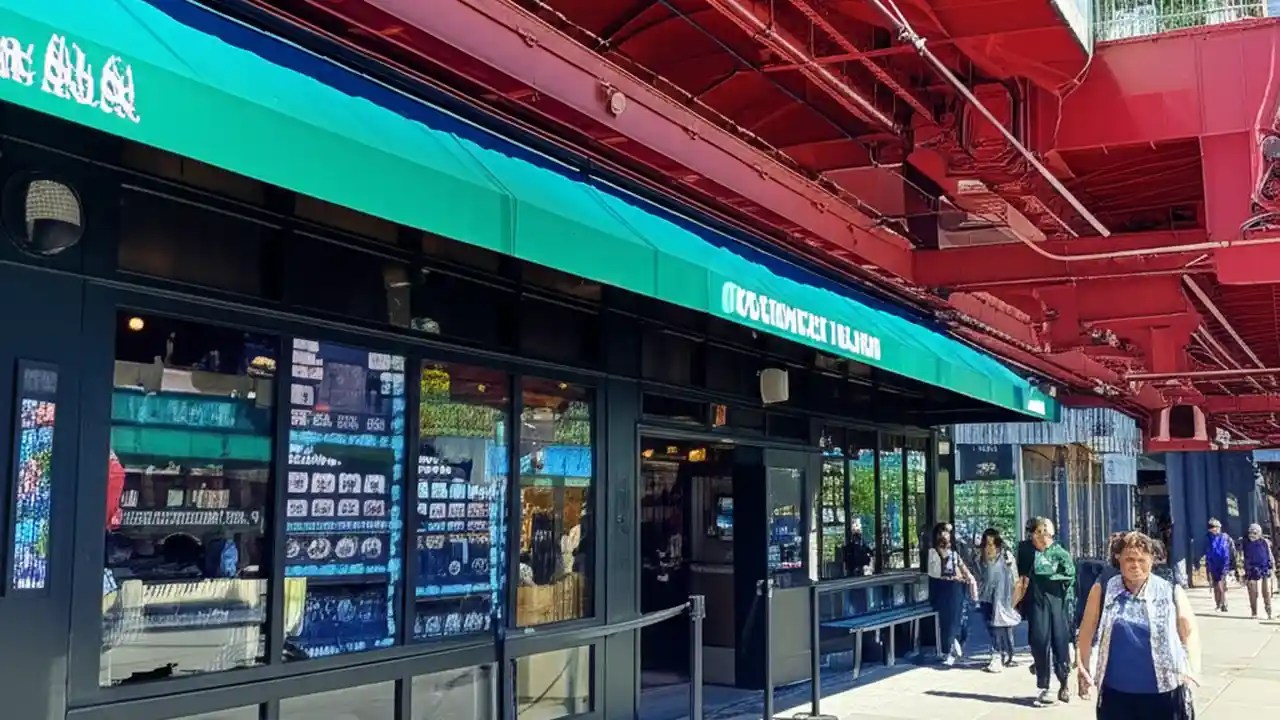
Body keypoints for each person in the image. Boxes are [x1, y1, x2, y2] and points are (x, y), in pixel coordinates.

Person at [1076, 531, 1201, 720]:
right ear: (1118, 559)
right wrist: (1083, 667)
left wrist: (1192, 669)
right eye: (1129, 559)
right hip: (1117, 695)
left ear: (1152, 559)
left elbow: (1187, 629)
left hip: (1164, 694)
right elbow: (1087, 629)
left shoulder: (1169, 589)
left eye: (1141, 560)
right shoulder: (1104, 588)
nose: (1135, 565)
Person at [1016, 518, 1076, 706]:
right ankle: (1044, 683)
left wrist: (1057, 578)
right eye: (1038, 532)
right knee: (1039, 640)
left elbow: (1070, 574)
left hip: (1057, 599)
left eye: (1046, 533)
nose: (1042, 537)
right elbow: (1021, 576)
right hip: (1036, 599)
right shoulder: (1026, 550)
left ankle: (1064, 681)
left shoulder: (1060, 551)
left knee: (1060, 640)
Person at [928, 522, 977, 666]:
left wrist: (969, 579)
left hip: (956, 589)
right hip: (942, 589)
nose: (945, 535)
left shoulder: (954, 553)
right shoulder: (933, 552)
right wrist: (955, 577)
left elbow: (964, 569)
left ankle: (955, 647)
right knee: (947, 621)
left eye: (948, 532)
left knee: (958, 619)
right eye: (943, 532)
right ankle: (948, 650)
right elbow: (934, 573)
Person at [978, 528, 1020, 672]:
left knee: (1003, 628)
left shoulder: (1006, 557)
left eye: (992, 543)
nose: (989, 547)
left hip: (1003, 598)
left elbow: (1015, 578)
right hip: (985, 596)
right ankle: (999, 654)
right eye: (987, 543)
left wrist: (1014, 598)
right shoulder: (980, 558)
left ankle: (1005, 653)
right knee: (992, 627)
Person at [1241, 522, 1275, 619]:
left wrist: (1271, 567)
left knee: (1266, 591)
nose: (1252, 535)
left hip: (1264, 568)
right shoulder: (1245, 543)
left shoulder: (1264, 542)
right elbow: (1242, 558)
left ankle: (1269, 611)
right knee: (1252, 591)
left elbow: (1270, 555)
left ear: (1259, 533)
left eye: (1255, 533)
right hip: (1251, 569)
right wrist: (1243, 571)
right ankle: (1254, 612)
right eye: (1250, 532)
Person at [1202, 518, 1235, 611]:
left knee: (1221, 584)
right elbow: (1206, 551)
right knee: (1216, 584)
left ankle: (1223, 603)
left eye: (1214, 527)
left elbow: (1232, 550)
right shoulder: (1207, 538)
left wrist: (1233, 564)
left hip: (1224, 563)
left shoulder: (1225, 537)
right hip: (1212, 564)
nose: (1213, 529)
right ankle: (1219, 603)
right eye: (1211, 527)